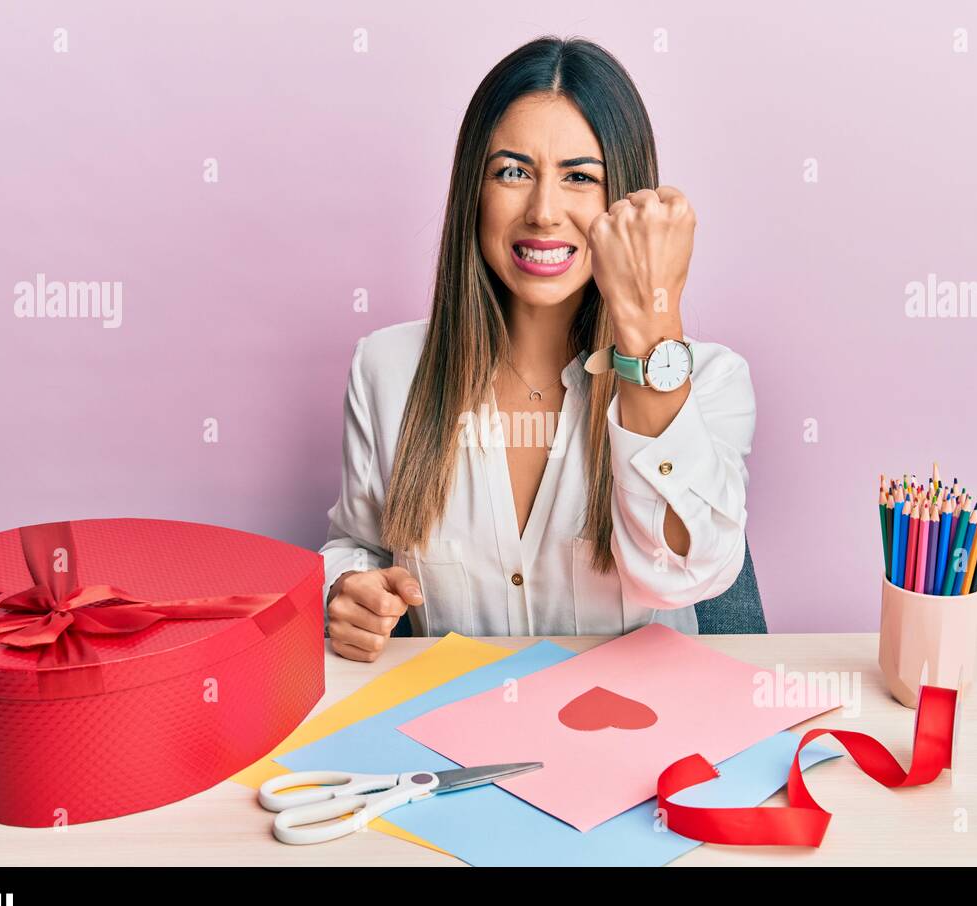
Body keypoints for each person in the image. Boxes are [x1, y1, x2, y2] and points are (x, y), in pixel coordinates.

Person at [321, 36, 756, 661]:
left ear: (622, 201)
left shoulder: (710, 380)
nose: (544, 212)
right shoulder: (384, 369)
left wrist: (651, 317)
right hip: (453, 741)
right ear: (475, 189)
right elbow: (355, 541)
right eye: (512, 172)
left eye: (580, 177)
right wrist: (349, 588)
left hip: (639, 742)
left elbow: (688, 575)